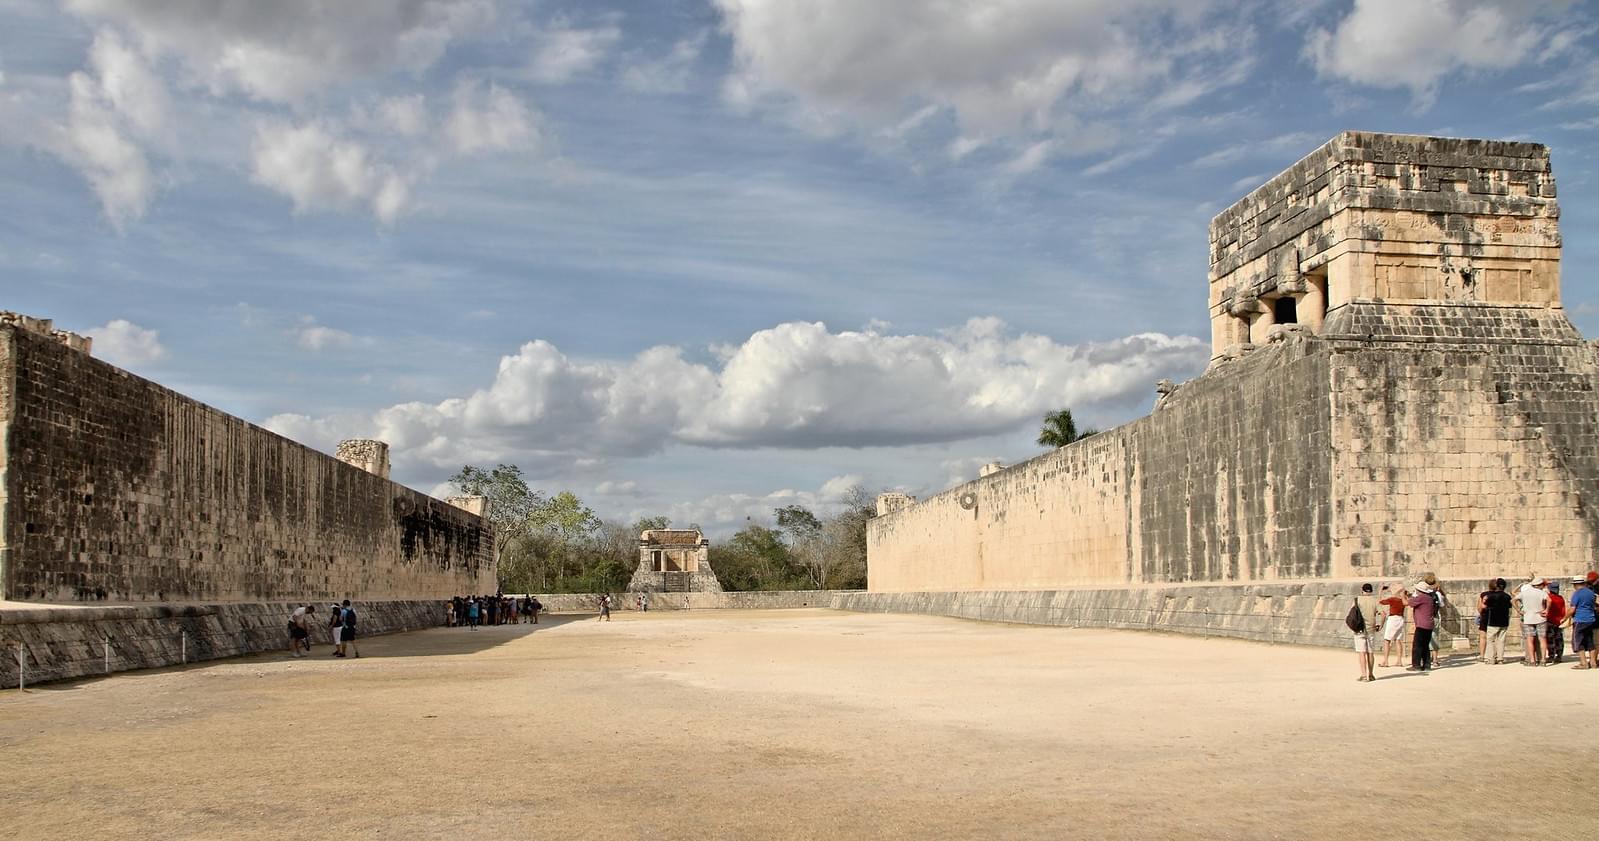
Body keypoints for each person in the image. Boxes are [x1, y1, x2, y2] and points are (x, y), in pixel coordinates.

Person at [1515, 577, 1550, 666]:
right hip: (1540, 617)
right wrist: (1546, 609)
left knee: (1530, 640)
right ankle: (1543, 660)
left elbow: (1513, 600)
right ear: (1540, 585)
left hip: (1528, 618)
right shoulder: (1542, 593)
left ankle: (1532, 660)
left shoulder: (1525, 593)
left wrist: (1518, 610)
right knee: (1542, 639)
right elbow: (1549, 600)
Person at [1407, 579, 1439, 672]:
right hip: (1429, 624)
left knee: (1417, 645)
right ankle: (1426, 665)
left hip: (1422, 625)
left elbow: (1409, 603)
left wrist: (1403, 596)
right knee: (1425, 646)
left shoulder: (1421, 597)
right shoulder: (1429, 598)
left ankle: (1416, 665)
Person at [1352, 584, 1380, 682]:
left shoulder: (1357, 600)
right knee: (1370, 652)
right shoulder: (1375, 600)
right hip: (1371, 629)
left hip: (1360, 629)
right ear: (1371, 591)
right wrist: (1380, 625)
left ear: (1362, 590)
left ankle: (1364, 675)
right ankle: (1371, 674)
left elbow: (1352, 614)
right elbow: (1383, 614)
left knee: (1362, 653)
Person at [1481, 578, 1512, 665]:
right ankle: (1500, 658)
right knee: (1501, 640)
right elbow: (1509, 607)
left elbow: (1484, 606)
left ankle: (1491, 658)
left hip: (1493, 621)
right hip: (1504, 621)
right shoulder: (1507, 596)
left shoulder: (1491, 596)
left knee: (1491, 640)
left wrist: (1484, 601)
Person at [1378, 584, 1407, 667]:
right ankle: (1399, 661)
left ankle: (1386, 661)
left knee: (1387, 640)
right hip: (1400, 618)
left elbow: (1380, 601)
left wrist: (1380, 591)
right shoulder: (1403, 599)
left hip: (1393, 619)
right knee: (1398, 640)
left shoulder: (1392, 599)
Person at [1571, 577, 1597, 670]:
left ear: (1575, 584)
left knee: (1578, 641)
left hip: (1580, 619)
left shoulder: (1577, 594)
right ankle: (1593, 663)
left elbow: (1572, 609)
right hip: (1591, 619)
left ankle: (1583, 663)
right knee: (1590, 641)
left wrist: (1565, 618)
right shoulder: (1591, 593)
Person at [1546, 580, 1567, 665]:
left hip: (1550, 620)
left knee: (1550, 639)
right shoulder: (1560, 598)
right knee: (1559, 639)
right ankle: (1559, 656)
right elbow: (1563, 610)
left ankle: (1551, 656)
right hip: (1559, 621)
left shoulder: (1548, 597)